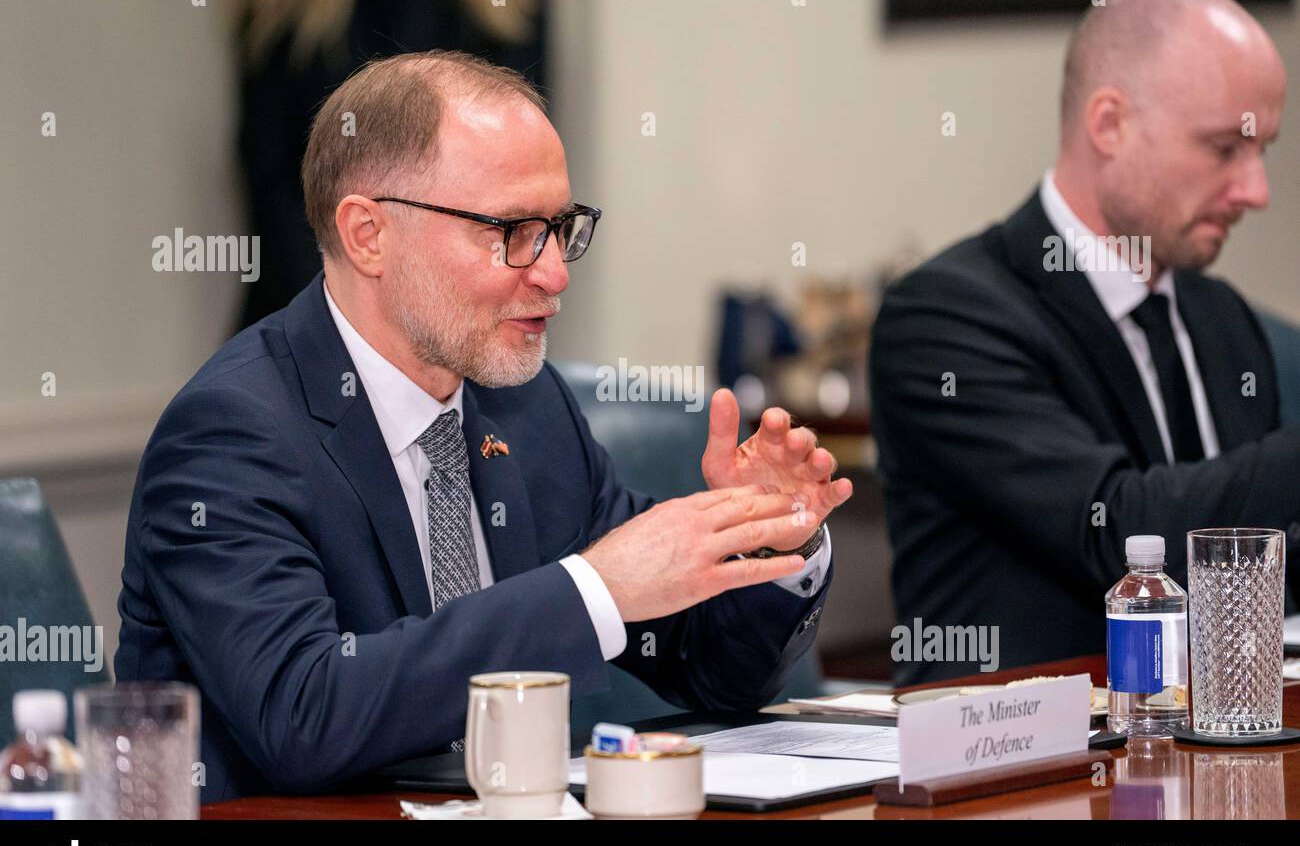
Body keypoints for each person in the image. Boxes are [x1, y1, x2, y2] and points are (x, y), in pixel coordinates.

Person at [116, 50, 852, 803]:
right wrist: (594, 587)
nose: (556, 271)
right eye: (513, 230)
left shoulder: (530, 410)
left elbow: (713, 672)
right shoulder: (230, 434)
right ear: (368, 234)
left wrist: (769, 541)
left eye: (561, 227)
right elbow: (305, 713)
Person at [870, 0, 1299, 684]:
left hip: (1219, 754)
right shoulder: (944, 318)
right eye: (1227, 148)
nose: (1256, 190)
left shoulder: (1221, 319)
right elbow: (1122, 530)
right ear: (1109, 124)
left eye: (1264, 151)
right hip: (1017, 774)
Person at [225, 0, 550, 331]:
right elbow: (269, 174)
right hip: (308, 300)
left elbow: (518, 171)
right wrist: (349, 313)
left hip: (468, 311)